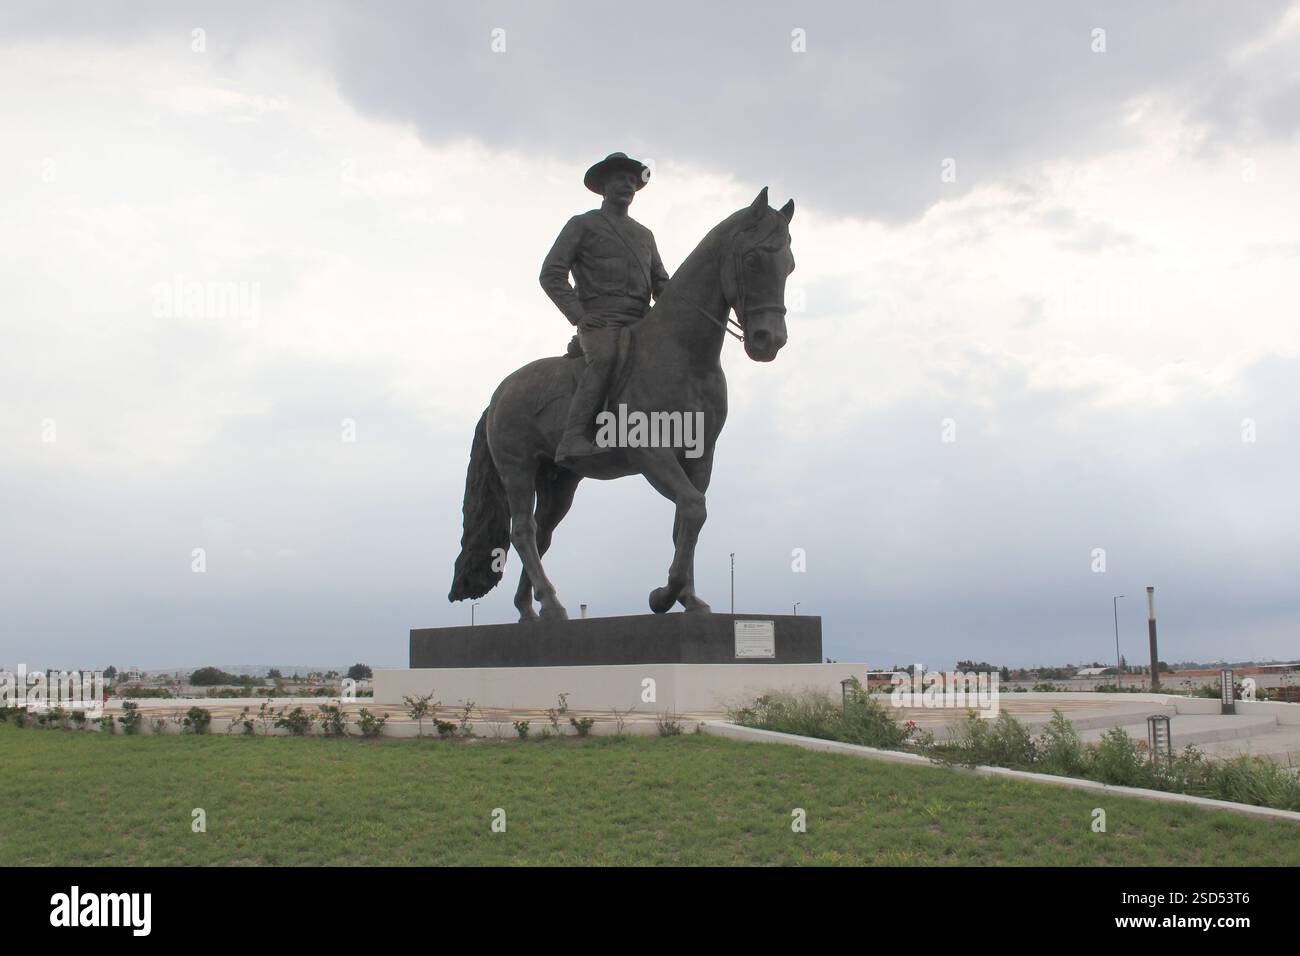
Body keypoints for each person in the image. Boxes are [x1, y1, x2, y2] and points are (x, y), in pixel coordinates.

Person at [540, 152, 669, 464]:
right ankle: (573, 436)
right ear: (604, 187)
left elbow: (660, 283)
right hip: (601, 321)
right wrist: (581, 316)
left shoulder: (644, 235)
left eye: (631, 180)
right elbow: (551, 274)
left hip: (641, 321)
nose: (626, 184)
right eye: (619, 179)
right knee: (606, 358)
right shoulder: (582, 225)